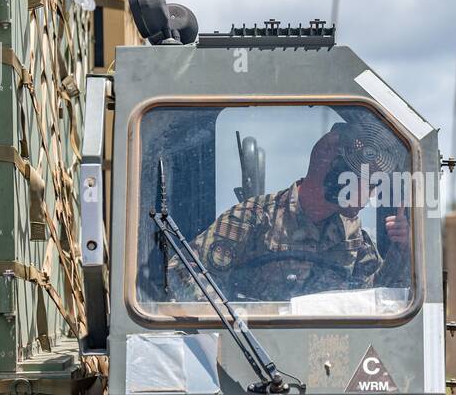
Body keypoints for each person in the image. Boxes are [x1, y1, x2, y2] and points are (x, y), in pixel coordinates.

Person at [171, 121, 410, 302]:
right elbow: (181, 271)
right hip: (255, 354)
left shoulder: (353, 236)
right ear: (337, 178)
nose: (370, 195)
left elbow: (373, 297)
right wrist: (230, 323)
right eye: (368, 184)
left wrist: (402, 249)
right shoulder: (253, 219)